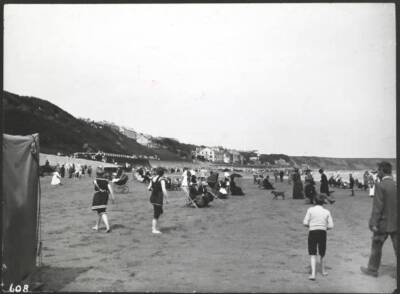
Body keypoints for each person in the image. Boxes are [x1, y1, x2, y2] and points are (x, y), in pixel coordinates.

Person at [361, 161, 397, 277]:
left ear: (382, 170)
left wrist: (373, 223)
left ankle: (372, 270)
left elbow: (378, 207)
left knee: (376, 247)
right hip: (396, 223)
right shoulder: (395, 185)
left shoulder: (380, 186)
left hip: (383, 223)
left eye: (378, 170)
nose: (377, 173)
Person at [303, 194, 334, 280]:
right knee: (322, 252)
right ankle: (323, 271)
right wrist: (324, 227)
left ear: (314, 201)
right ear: (323, 202)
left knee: (313, 253)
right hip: (322, 232)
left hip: (312, 232)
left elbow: (305, 222)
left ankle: (313, 274)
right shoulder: (327, 212)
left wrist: (311, 226)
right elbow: (331, 226)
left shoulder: (310, 210)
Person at [91, 168, 115, 233]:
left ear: (97, 174)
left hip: (98, 196)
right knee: (100, 211)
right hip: (105, 196)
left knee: (102, 211)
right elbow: (110, 189)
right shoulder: (106, 180)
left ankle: (108, 227)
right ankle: (97, 226)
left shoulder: (95, 180)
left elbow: (95, 183)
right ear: (103, 174)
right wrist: (113, 198)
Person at [148, 167, 169, 234]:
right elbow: (164, 190)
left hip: (152, 198)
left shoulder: (152, 178)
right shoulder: (162, 180)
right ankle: (154, 229)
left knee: (159, 211)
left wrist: (154, 190)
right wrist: (167, 199)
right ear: (162, 173)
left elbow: (148, 188)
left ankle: (155, 225)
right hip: (158, 199)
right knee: (156, 214)